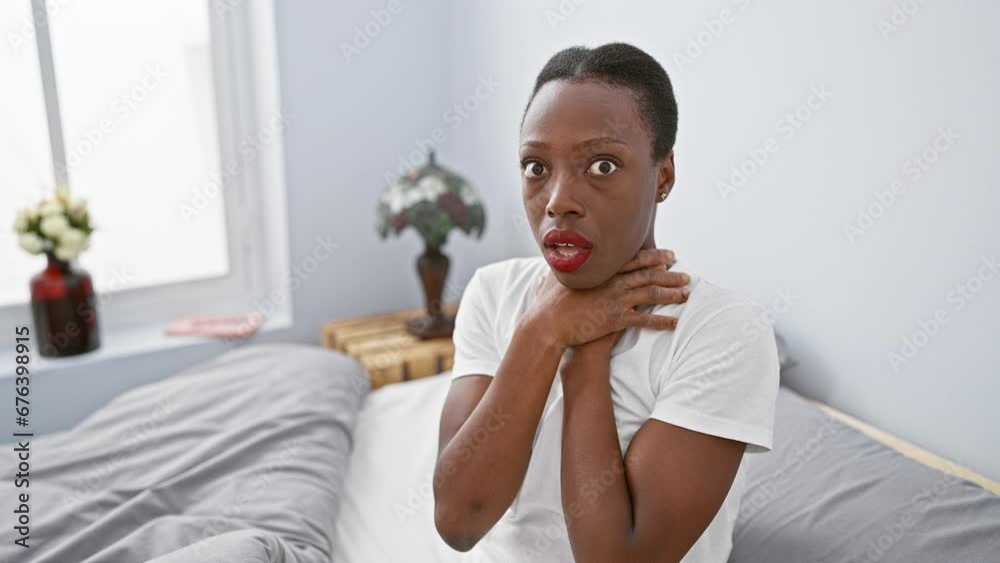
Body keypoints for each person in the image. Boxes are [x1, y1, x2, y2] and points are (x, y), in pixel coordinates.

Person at [433, 42, 779, 563]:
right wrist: (542, 330)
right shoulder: (493, 291)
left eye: (601, 165)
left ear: (662, 177)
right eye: (535, 167)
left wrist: (585, 355)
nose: (557, 200)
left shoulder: (724, 330)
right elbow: (459, 521)